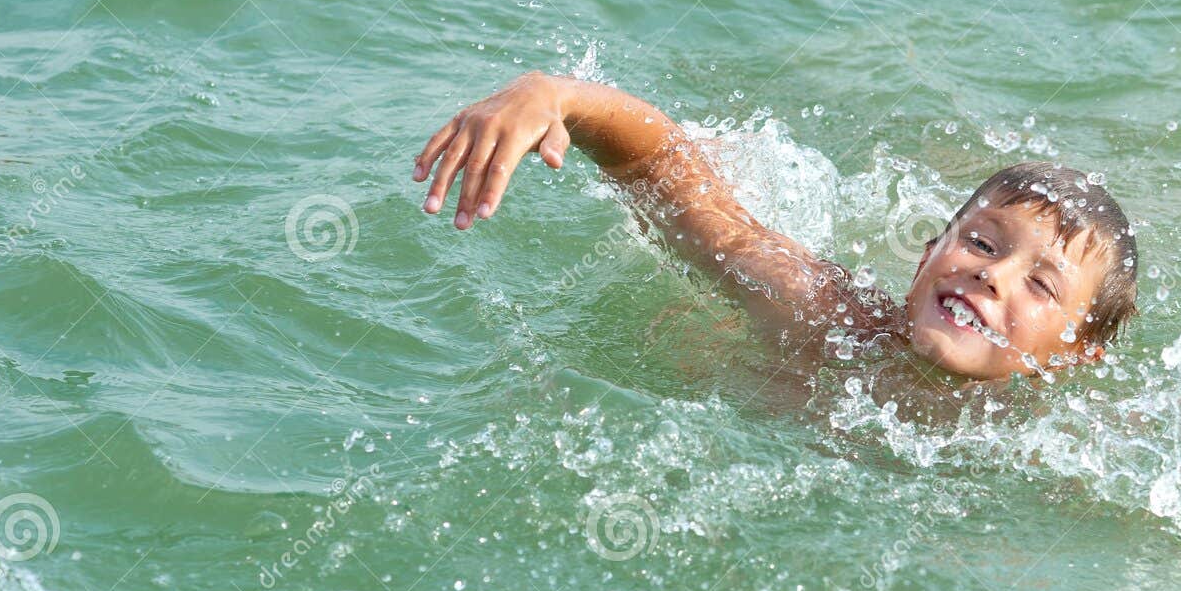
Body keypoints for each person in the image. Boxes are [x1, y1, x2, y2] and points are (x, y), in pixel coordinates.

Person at [413, 72, 1137, 383]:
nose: (992, 272)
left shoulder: (1057, 449)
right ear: (926, 256)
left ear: (1075, 354)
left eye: (1042, 284)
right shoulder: (819, 315)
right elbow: (672, 175)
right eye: (981, 242)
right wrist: (557, 97)